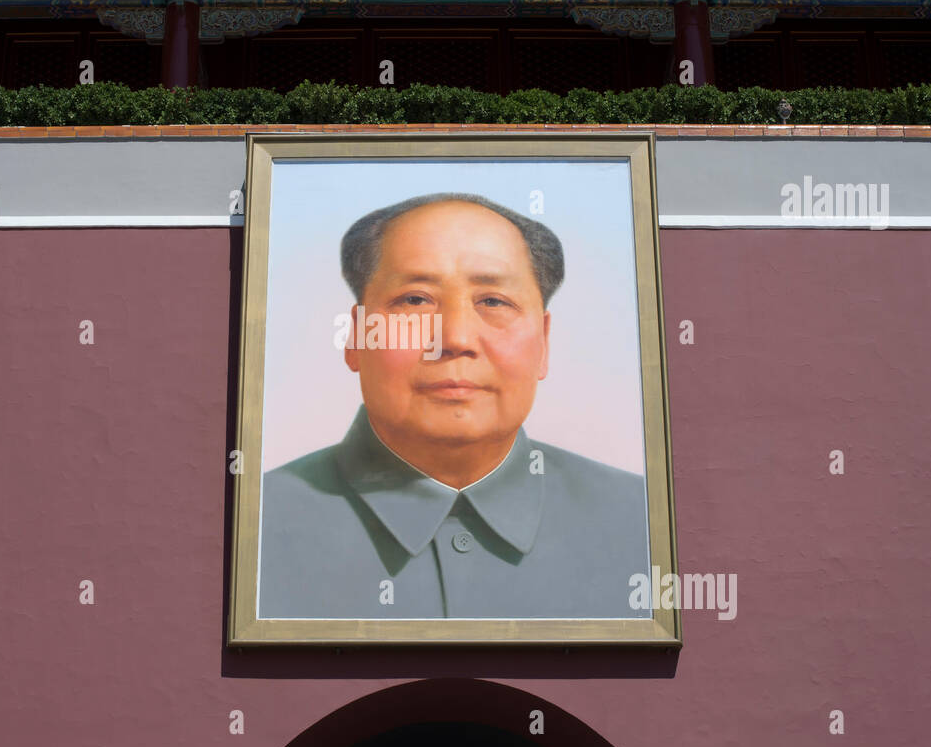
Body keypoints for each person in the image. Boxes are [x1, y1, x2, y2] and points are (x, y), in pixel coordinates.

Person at [259, 192, 650, 619]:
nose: (456, 339)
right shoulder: (254, 527)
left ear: (544, 343)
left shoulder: (643, 524)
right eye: (415, 300)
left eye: (493, 302)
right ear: (356, 337)